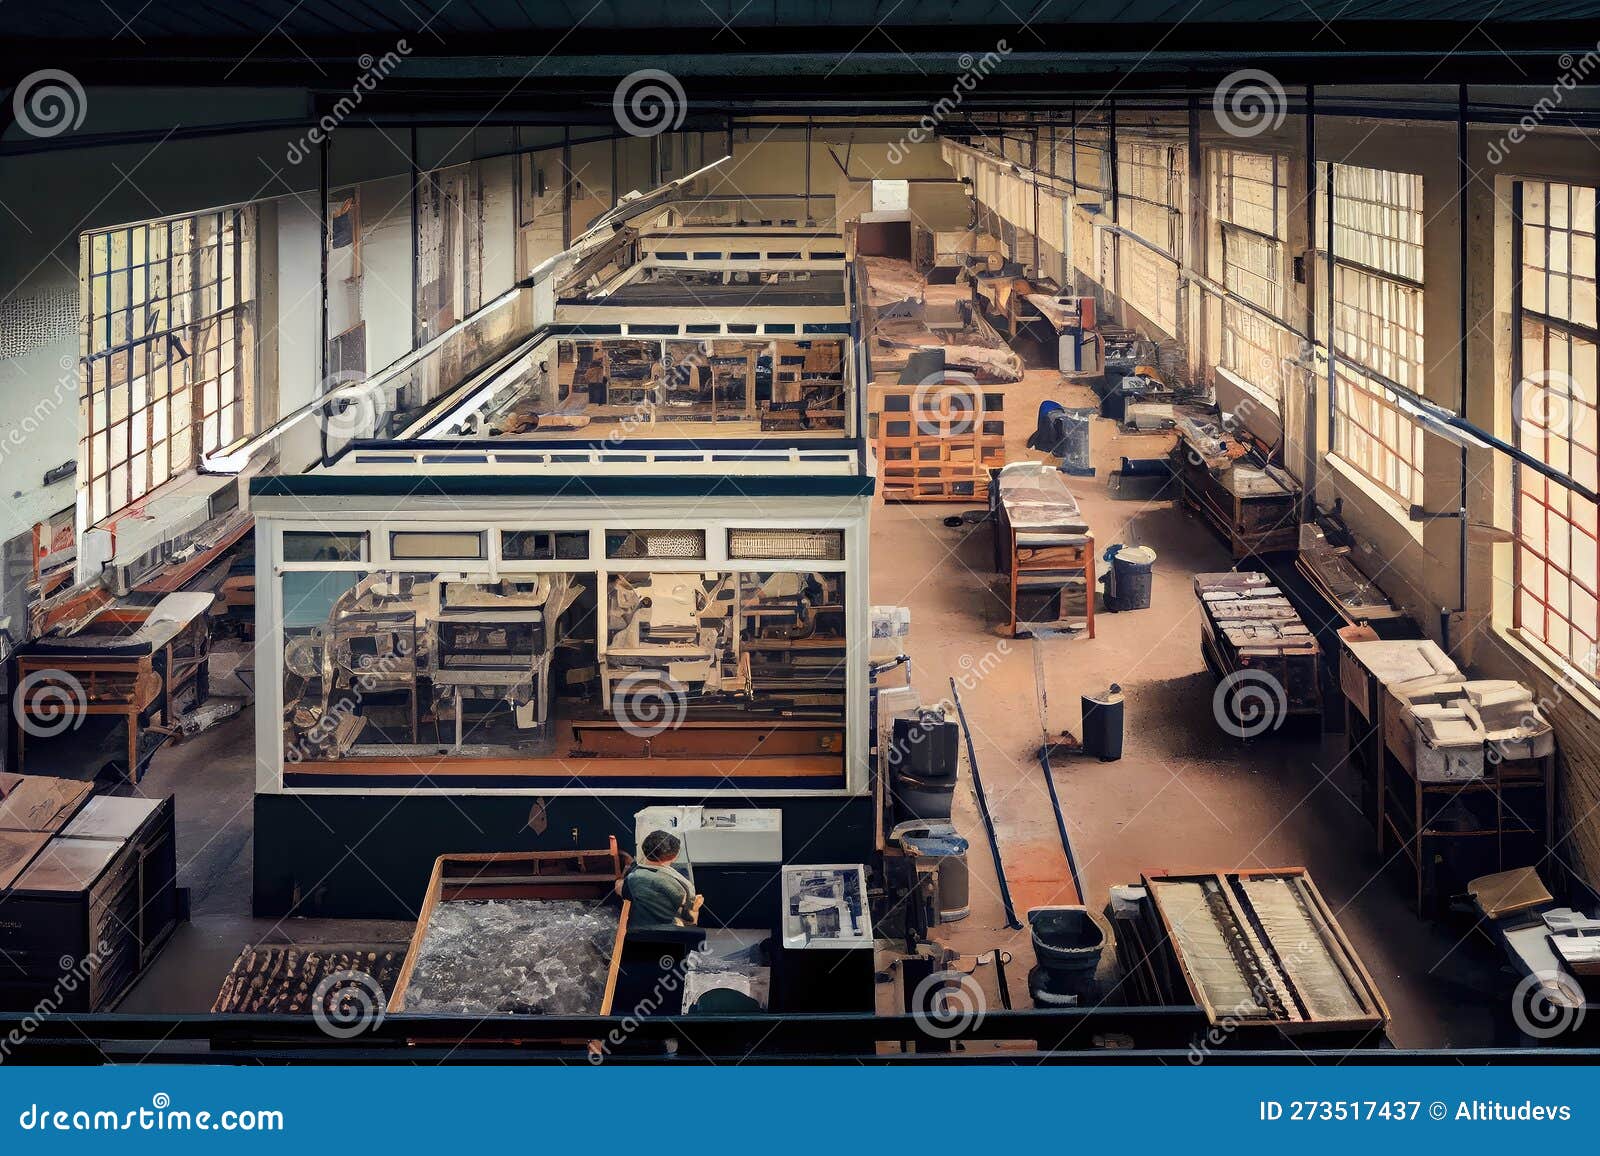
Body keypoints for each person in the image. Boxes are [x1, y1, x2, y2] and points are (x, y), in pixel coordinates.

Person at [618, 830, 703, 926]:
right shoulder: (684, 887)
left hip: (637, 934)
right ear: (675, 857)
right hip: (674, 936)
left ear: (644, 850)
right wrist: (695, 908)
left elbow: (624, 894)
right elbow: (691, 921)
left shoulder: (630, 879)